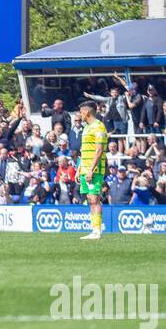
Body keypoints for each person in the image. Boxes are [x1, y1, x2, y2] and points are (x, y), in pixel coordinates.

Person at [76, 101, 108, 240]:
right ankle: (94, 230)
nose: (80, 115)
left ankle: (97, 231)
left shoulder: (99, 126)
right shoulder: (86, 128)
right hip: (85, 168)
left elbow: (99, 150)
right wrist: (79, 169)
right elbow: (84, 152)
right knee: (90, 199)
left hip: (94, 170)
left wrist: (91, 169)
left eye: (81, 112)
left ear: (87, 112)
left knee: (95, 198)